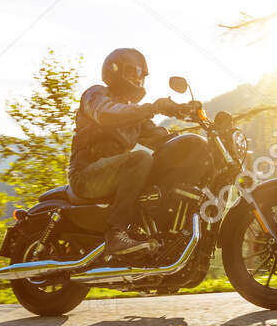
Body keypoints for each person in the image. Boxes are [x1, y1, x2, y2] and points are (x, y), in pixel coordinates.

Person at [68, 47, 196, 256]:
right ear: (115, 70)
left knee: (162, 164)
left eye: (141, 76)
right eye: (133, 73)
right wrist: (154, 107)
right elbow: (107, 114)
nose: (138, 81)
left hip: (112, 176)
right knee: (141, 159)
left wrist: (188, 127)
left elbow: (160, 138)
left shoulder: (135, 117)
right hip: (86, 175)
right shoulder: (97, 94)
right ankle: (116, 234)